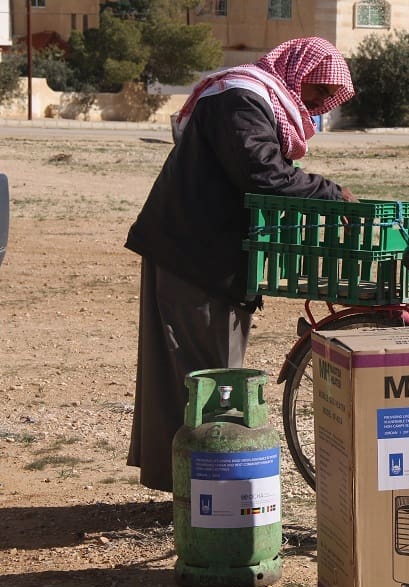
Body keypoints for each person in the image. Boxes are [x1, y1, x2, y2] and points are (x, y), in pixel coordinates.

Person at [124, 37, 356, 492]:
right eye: (315, 89)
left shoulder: (253, 97)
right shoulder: (243, 99)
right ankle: (206, 490)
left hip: (199, 249)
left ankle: (189, 485)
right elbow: (261, 173)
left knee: (188, 372)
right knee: (207, 375)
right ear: (295, 70)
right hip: (196, 255)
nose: (315, 101)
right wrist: (330, 193)